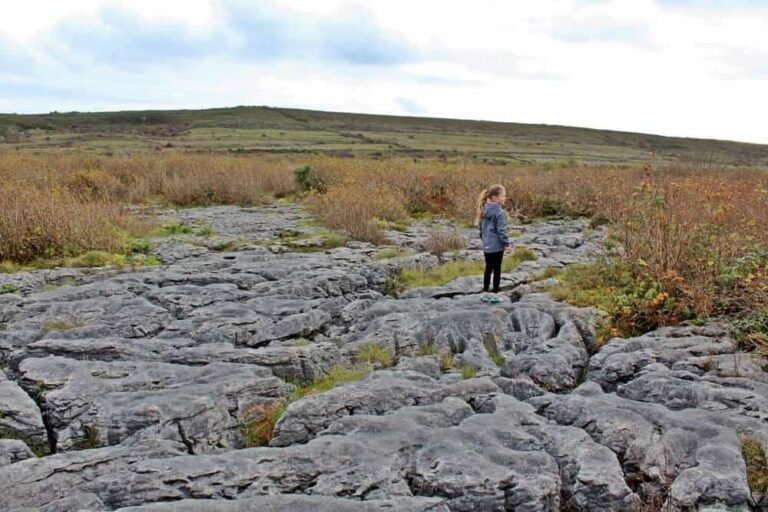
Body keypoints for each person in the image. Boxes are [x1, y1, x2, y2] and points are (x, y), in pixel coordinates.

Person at [475, 184, 513, 303]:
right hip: (496, 247)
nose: (504, 198)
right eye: (503, 196)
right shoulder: (499, 212)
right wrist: (507, 244)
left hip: (487, 246)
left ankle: (485, 293)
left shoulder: (483, 208)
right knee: (497, 270)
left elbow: (481, 229)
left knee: (488, 268)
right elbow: (502, 231)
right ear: (495, 197)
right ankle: (495, 294)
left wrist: (485, 241)